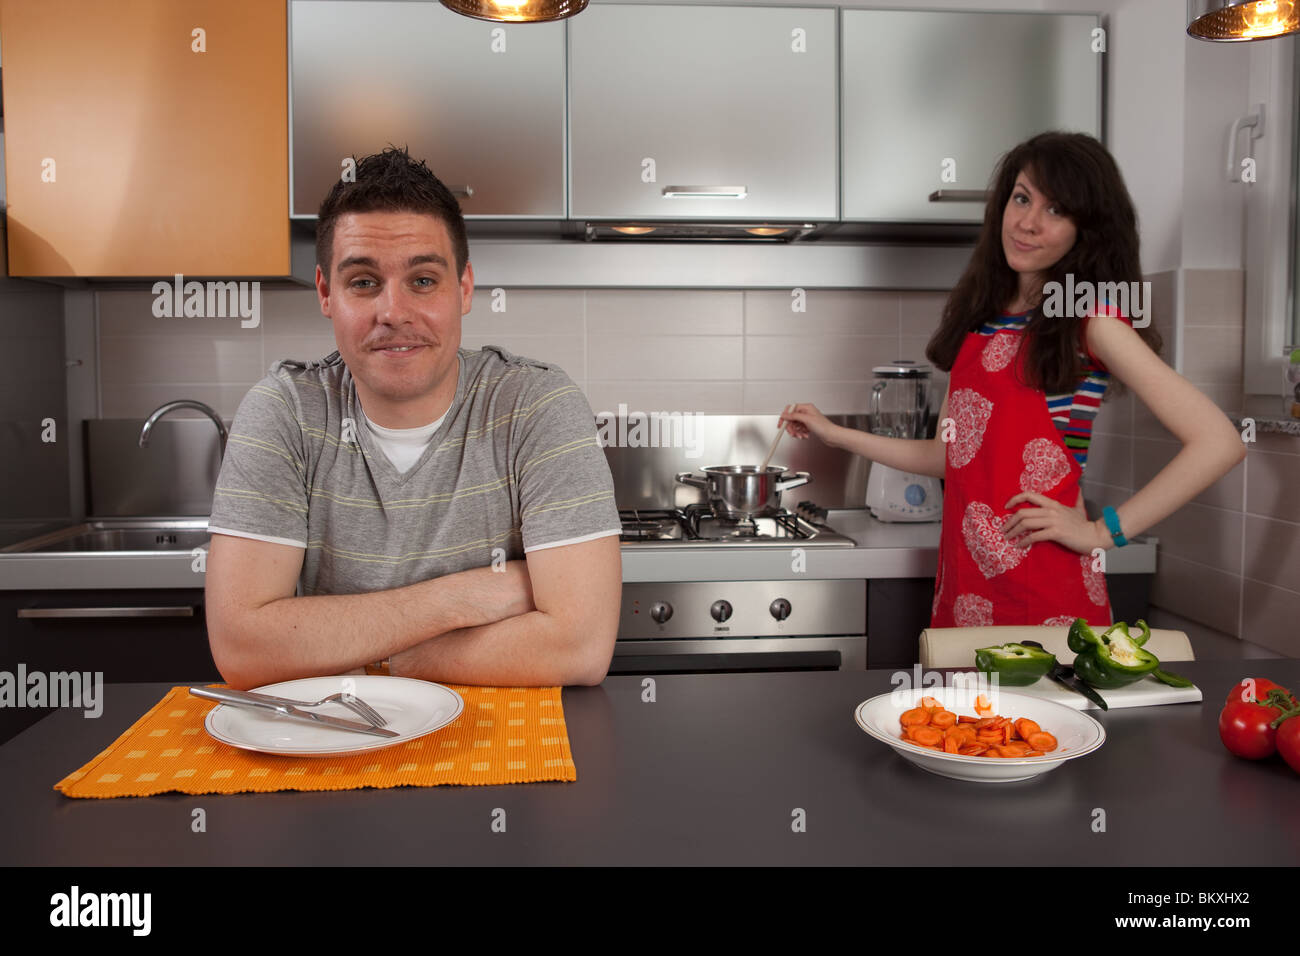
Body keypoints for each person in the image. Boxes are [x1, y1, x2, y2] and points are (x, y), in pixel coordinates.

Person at [780, 131, 1246, 628]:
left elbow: (1218, 442)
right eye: (1022, 199)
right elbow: (948, 455)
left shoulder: (1093, 322)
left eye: (1056, 210)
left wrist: (1101, 531)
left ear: (1086, 230)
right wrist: (835, 433)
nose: (1027, 223)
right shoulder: (983, 320)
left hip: (1046, 594)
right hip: (965, 588)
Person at [204, 146, 622, 689]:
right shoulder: (284, 412)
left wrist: (346, 651)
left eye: (423, 280)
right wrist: (461, 597)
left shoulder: (537, 405)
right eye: (363, 282)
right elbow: (243, 650)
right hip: (338, 749)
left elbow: (579, 648)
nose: (394, 312)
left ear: (464, 289)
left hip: (507, 756)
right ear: (327, 293)